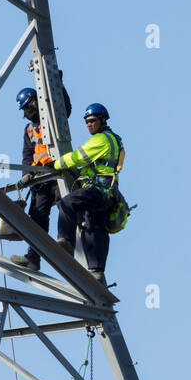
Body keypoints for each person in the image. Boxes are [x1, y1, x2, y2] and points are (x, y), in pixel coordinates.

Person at [50, 103, 124, 285]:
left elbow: (77, 157)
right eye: (86, 122)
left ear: (102, 120)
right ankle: (97, 272)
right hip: (106, 194)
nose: (88, 125)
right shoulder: (114, 139)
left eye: (92, 121)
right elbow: (93, 166)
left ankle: (65, 243)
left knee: (67, 203)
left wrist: (56, 164)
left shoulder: (101, 140)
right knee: (93, 229)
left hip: (97, 190)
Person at [11, 83, 72, 271]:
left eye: (27, 107)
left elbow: (65, 108)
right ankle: (33, 257)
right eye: (24, 110)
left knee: (66, 204)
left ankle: (66, 243)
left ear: (35, 104)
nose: (27, 113)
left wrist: (59, 86)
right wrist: (27, 173)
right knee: (37, 215)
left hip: (56, 172)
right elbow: (27, 155)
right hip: (40, 179)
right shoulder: (29, 130)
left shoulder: (52, 119)